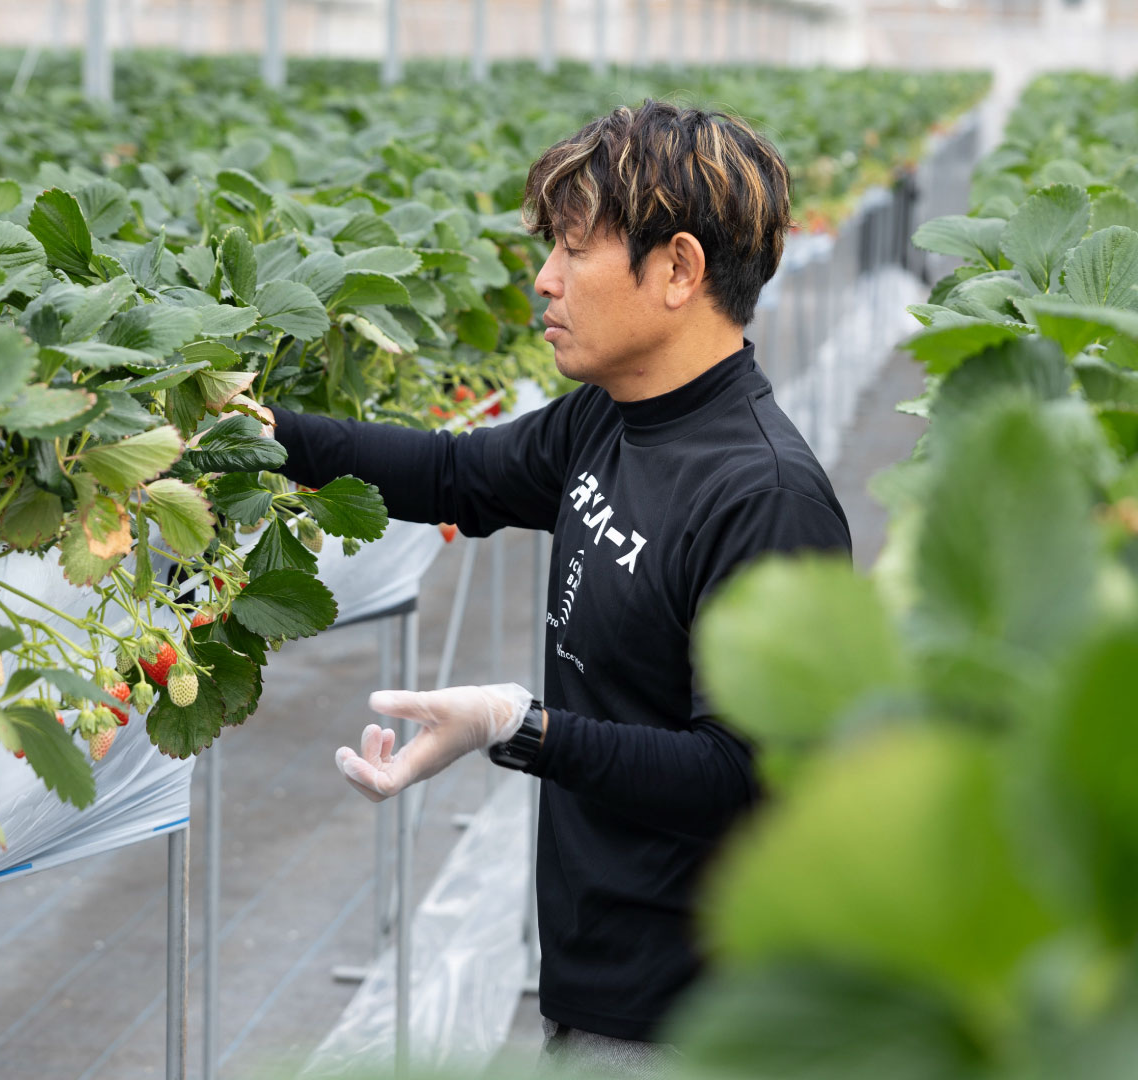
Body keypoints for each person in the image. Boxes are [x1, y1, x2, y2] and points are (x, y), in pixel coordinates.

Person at [260, 100, 851, 1075]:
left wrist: (518, 725)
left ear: (678, 270)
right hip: (590, 972)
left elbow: (744, 775)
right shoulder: (606, 422)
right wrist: (255, 434)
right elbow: (452, 476)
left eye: (574, 251)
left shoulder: (766, 498)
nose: (544, 280)